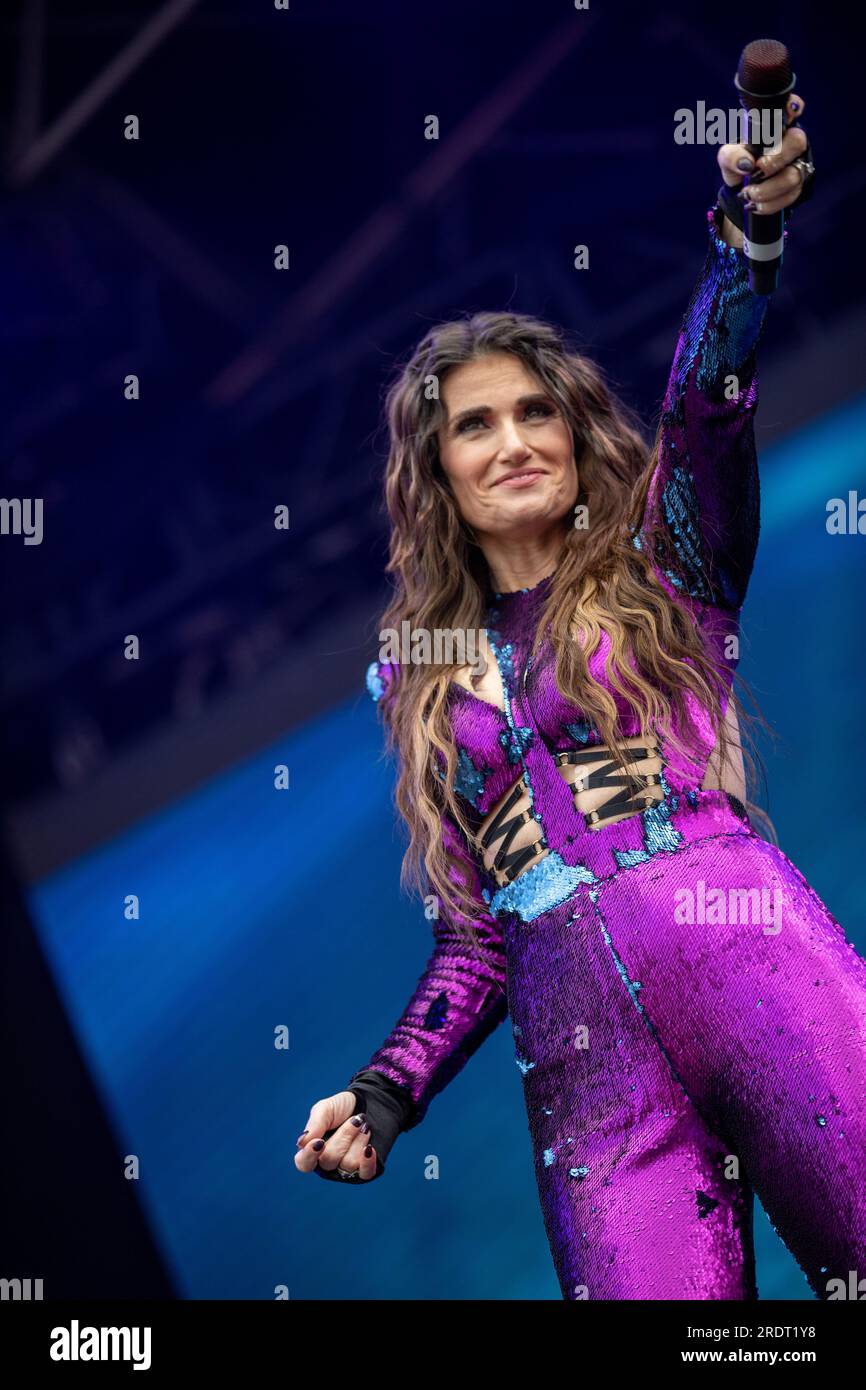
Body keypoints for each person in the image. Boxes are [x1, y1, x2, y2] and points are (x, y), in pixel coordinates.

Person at [296, 92, 864, 1300]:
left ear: (570, 431)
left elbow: (707, 398)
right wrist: (386, 1091)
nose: (511, 440)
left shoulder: (669, 558)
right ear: (435, 472)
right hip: (584, 1074)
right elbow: (478, 930)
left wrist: (745, 242)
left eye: (533, 410)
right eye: (474, 425)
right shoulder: (419, 678)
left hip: (752, 961)